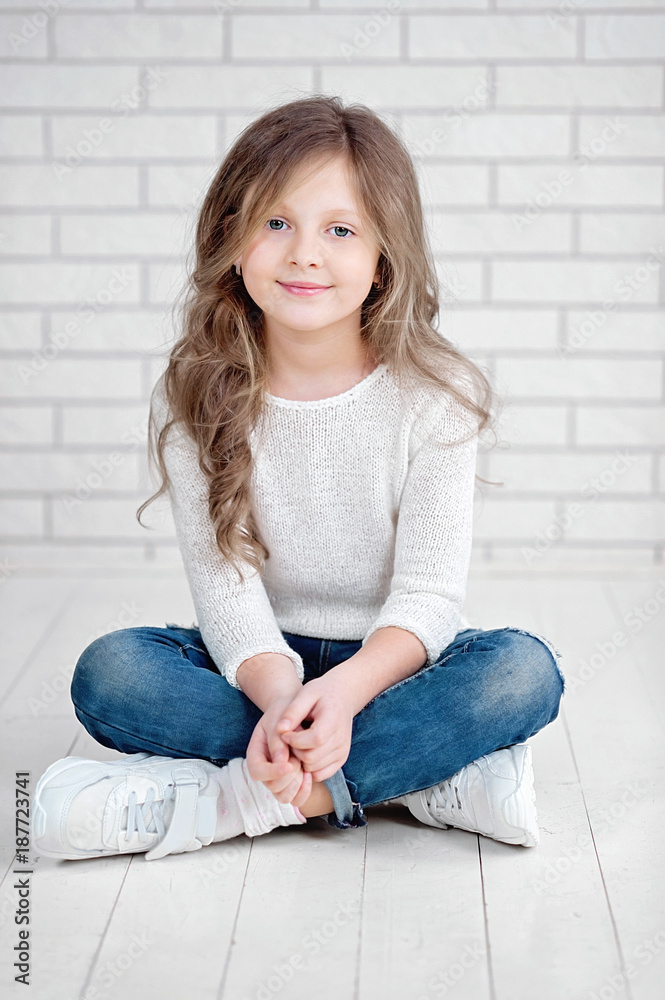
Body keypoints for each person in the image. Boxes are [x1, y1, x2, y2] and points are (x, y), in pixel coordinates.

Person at [31, 95, 565, 863]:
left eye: (340, 230)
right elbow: (227, 593)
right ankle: (418, 778)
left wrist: (342, 695)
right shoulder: (196, 394)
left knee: (519, 673)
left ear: (383, 258)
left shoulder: (435, 395)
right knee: (111, 673)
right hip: (257, 666)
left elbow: (428, 594)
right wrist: (286, 700)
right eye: (275, 222)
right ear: (231, 239)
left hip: (387, 667)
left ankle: (245, 800)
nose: (304, 254)